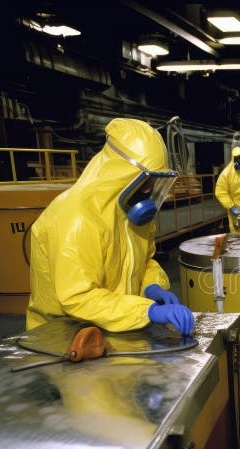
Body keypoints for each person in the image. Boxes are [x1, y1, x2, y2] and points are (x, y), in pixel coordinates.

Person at [27, 118, 194, 336]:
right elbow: (77, 297)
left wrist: (152, 287)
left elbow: (144, 262)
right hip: (63, 336)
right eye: (146, 180)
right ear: (121, 173)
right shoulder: (75, 217)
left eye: (155, 181)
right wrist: (147, 310)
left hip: (115, 326)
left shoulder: (130, 211)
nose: (150, 189)